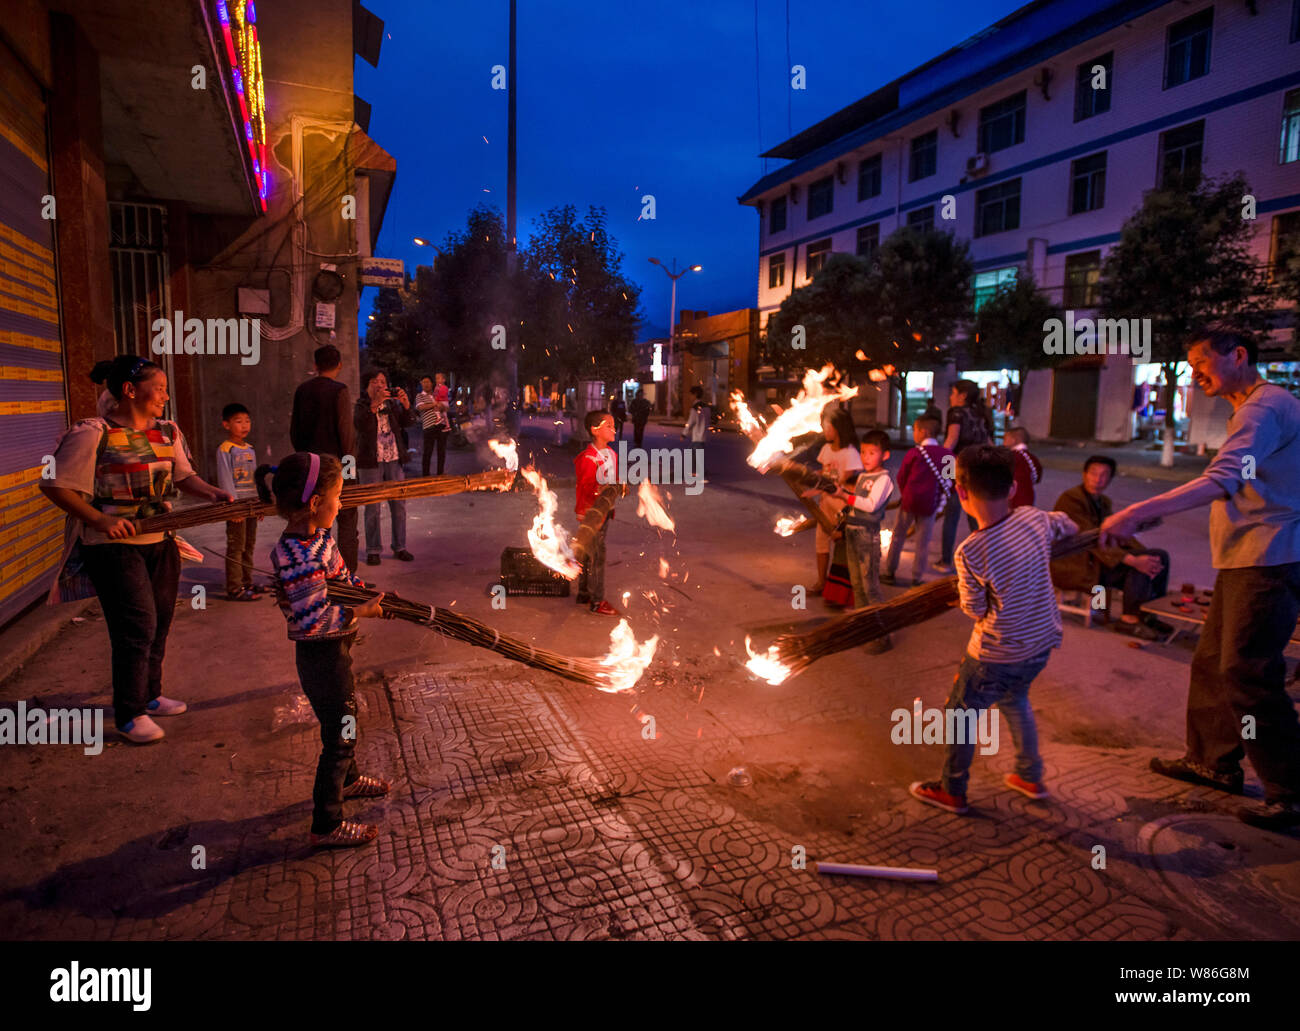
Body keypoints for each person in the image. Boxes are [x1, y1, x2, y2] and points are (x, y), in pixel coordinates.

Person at [1101, 329, 1300, 830]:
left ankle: (1291, 790)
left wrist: (1136, 510)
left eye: (1200, 362)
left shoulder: (1262, 408)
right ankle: (1212, 761)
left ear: (1238, 356)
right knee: (1212, 662)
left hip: (1269, 558)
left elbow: (1224, 477)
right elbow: (1243, 482)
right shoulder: (1259, 407)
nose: (1194, 374)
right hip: (1245, 558)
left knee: (1247, 672)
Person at [40, 355, 234, 744]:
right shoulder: (92, 433)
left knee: (160, 619)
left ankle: (150, 694)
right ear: (130, 390)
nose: (164, 395)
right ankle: (129, 714)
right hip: (111, 547)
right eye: (158, 388)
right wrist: (100, 520)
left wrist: (213, 493)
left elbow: (184, 476)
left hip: (160, 541)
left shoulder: (167, 433)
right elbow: (53, 484)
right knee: (136, 624)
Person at [909, 445, 1078, 814]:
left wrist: (960, 600)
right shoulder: (1034, 518)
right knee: (1016, 700)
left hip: (994, 655)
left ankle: (952, 790)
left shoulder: (971, 550)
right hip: (1039, 646)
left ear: (961, 491)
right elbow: (1068, 524)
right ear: (1013, 488)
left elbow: (976, 609)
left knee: (960, 715)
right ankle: (1029, 776)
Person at [259, 453, 391, 848]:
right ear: (315, 502)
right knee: (340, 732)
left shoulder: (319, 538)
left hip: (336, 651)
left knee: (345, 720)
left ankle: (348, 782)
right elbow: (313, 618)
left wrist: (364, 591)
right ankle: (326, 822)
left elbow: (342, 576)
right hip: (320, 657)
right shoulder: (298, 556)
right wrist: (360, 610)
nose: (342, 503)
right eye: (337, 496)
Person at [1052, 456, 1172, 640]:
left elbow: (1117, 533)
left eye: (1104, 475)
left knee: (1157, 557)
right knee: (1135, 567)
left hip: (1096, 560)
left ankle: (1147, 614)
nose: (1098, 479)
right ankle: (1129, 620)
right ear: (1084, 475)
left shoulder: (1103, 501)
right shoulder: (1071, 499)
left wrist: (1142, 555)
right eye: (1093, 474)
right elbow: (1088, 539)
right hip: (1076, 564)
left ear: (1110, 479)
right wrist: (1132, 559)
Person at [290, 345, 358, 572]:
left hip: (310, 469)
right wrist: (349, 474)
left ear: (315, 365)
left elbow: (295, 433)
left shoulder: (302, 390)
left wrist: (305, 464)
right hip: (335, 470)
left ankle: (316, 573)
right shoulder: (340, 391)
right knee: (347, 522)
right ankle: (347, 578)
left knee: (314, 521)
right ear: (339, 365)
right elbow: (346, 436)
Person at [834, 428, 895, 652]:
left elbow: (870, 505)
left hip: (867, 535)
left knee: (871, 587)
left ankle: (881, 636)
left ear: (885, 455)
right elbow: (853, 504)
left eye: (872, 453)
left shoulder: (884, 480)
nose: (865, 457)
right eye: (863, 452)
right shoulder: (862, 476)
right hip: (852, 531)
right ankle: (864, 629)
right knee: (857, 585)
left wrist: (844, 496)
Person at [354, 371, 415, 565]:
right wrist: (375, 403)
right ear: (367, 387)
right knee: (372, 507)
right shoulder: (361, 405)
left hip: (394, 459)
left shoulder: (391, 404)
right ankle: (373, 549)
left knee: (399, 505)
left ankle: (400, 547)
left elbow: (408, 422)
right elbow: (360, 425)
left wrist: (406, 405)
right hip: (370, 462)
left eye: (383, 382)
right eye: (374, 382)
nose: (380, 385)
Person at [883, 415, 951, 586]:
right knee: (923, 542)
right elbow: (950, 481)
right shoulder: (948, 454)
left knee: (898, 536)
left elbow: (902, 476)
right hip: (930, 504)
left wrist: (905, 493)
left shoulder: (914, 453)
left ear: (924, 431)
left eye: (914, 429)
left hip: (909, 502)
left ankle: (890, 572)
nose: (913, 433)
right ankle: (917, 577)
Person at [802, 407, 862, 594]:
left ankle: (848, 585)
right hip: (825, 504)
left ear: (838, 428)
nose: (824, 430)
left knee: (843, 545)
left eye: (826, 426)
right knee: (821, 541)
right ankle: (822, 582)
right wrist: (811, 475)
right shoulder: (826, 449)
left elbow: (845, 482)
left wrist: (817, 489)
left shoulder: (850, 453)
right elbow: (824, 471)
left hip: (842, 507)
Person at [936, 379, 993, 571]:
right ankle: (983, 560)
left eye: (953, 393)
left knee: (951, 515)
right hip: (978, 468)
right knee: (975, 516)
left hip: (958, 468)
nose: (951, 397)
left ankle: (945, 561)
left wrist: (941, 467)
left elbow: (951, 441)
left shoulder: (956, 413)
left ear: (963, 395)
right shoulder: (981, 414)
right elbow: (989, 442)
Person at [575, 410, 620, 616]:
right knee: (597, 555)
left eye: (613, 425)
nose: (613, 429)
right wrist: (601, 488)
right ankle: (597, 600)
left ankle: (584, 592)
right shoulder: (588, 458)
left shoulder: (612, 454)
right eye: (608, 425)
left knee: (587, 552)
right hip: (591, 515)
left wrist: (618, 487)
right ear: (595, 430)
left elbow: (613, 481)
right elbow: (586, 487)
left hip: (605, 511)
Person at [216, 402, 261, 601]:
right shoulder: (225, 450)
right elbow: (225, 478)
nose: (244, 425)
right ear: (226, 425)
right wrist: (232, 508)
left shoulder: (250, 449)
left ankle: (247, 581)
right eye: (238, 421)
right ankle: (235, 587)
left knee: (249, 544)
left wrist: (260, 504)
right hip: (237, 506)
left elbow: (256, 477)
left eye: (247, 421)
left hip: (251, 503)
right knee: (236, 546)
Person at [415, 373, 451, 477]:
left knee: (441, 451)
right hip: (429, 426)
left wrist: (441, 406)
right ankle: (425, 475)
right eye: (424, 382)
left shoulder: (436, 395)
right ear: (421, 384)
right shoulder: (420, 396)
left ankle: (440, 473)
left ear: (432, 383)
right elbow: (420, 407)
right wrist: (434, 405)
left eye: (428, 382)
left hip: (441, 425)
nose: (426, 384)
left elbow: (446, 407)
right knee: (428, 452)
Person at [1004, 426, 1042, 510]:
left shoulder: (1012, 456)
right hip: (1029, 497)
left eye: (1005, 439)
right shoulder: (1032, 458)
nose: (1004, 442)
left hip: (1013, 501)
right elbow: (1038, 477)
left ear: (1013, 440)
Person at [681, 385, 711, 458]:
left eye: (691, 394)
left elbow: (690, 422)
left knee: (691, 457)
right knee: (695, 458)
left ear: (695, 394)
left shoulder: (694, 408)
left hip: (697, 438)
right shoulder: (707, 407)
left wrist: (684, 434)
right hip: (703, 437)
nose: (690, 397)